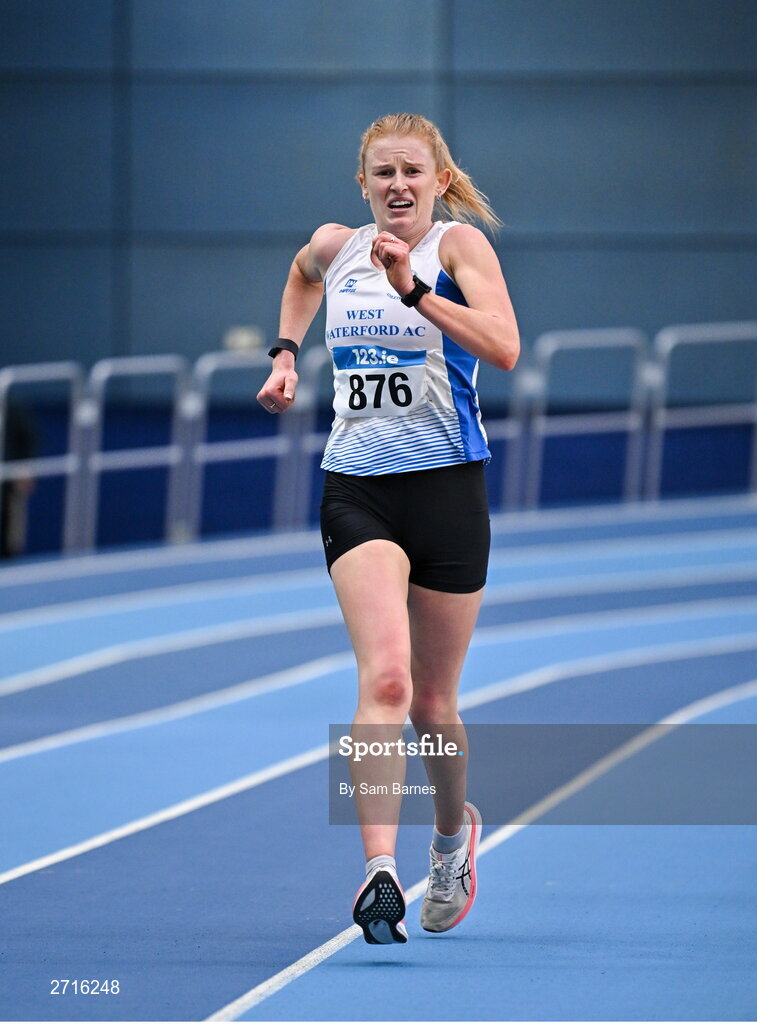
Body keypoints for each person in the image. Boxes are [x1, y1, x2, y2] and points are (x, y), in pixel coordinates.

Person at [257, 113, 519, 944]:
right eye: (382, 174)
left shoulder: (459, 250)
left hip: (446, 489)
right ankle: (378, 870)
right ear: (362, 184)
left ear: (439, 180)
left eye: (412, 172)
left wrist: (414, 290)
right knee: (389, 683)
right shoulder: (334, 247)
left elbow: (505, 348)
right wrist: (285, 352)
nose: (397, 186)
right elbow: (301, 276)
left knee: (436, 703)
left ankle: (449, 841)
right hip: (357, 490)